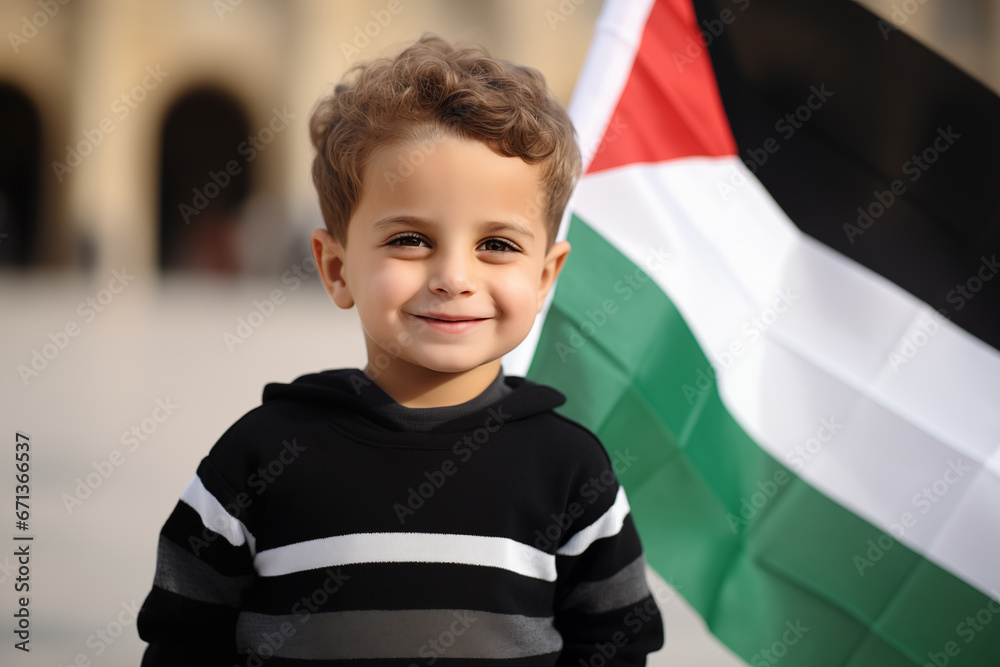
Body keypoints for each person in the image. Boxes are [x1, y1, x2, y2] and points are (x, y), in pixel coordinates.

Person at [137, 34, 664, 665]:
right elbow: (182, 641)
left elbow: (617, 644)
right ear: (336, 268)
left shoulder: (573, 473)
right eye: (411, 238)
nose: (454, 276)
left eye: (497, 244)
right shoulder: (257, 461)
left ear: (545, 278)